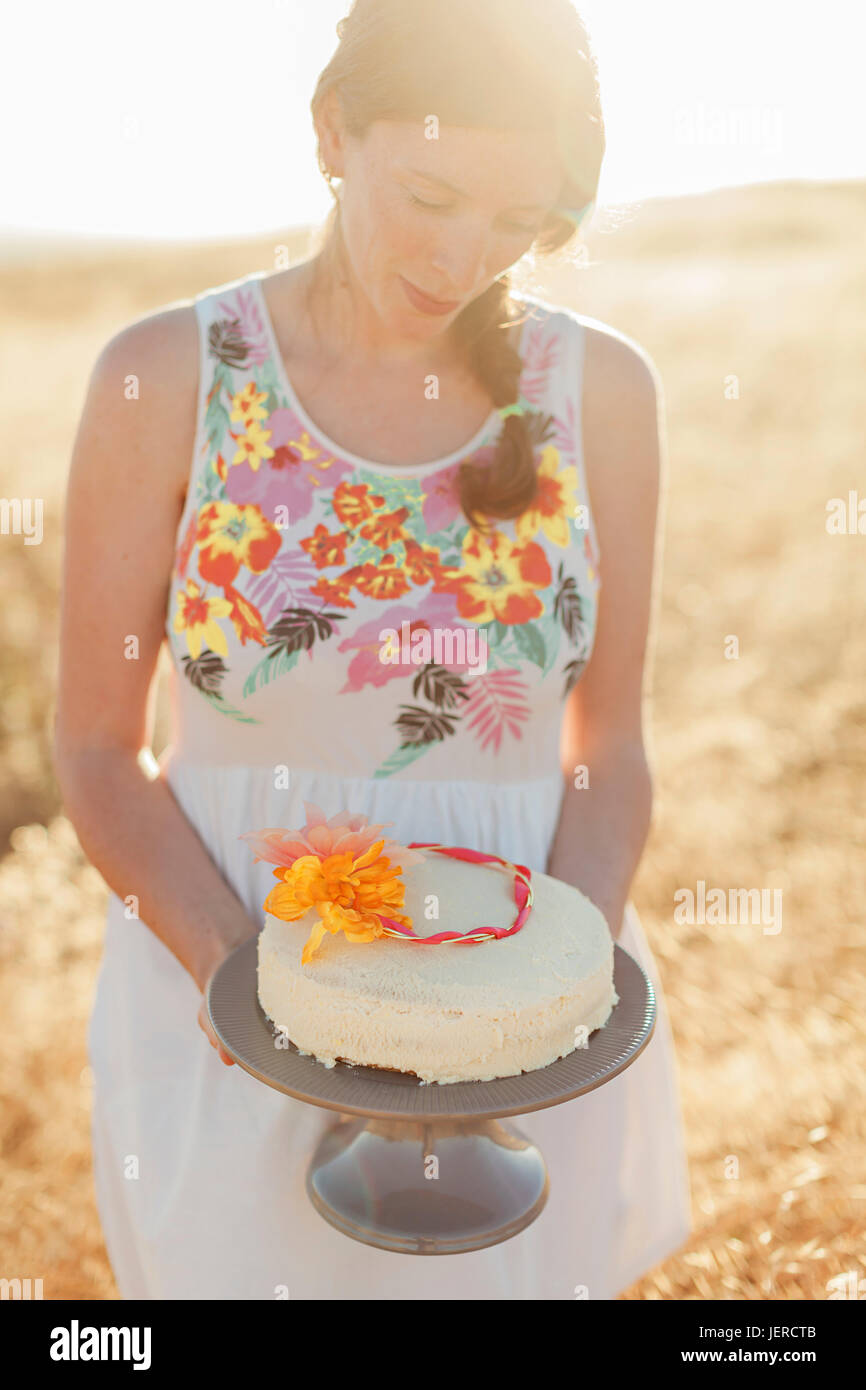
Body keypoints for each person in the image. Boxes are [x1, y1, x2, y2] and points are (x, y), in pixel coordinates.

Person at [54, 0, 691, 1299]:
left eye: (519, 222)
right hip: (225, 981)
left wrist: (530, 1013)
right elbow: (93, 746)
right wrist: (254, 995)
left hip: (521, 1009)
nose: (466, 257)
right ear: (333, 132)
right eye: (433, 194)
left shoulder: (600, 390)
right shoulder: (169, 374)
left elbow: (608, 746)